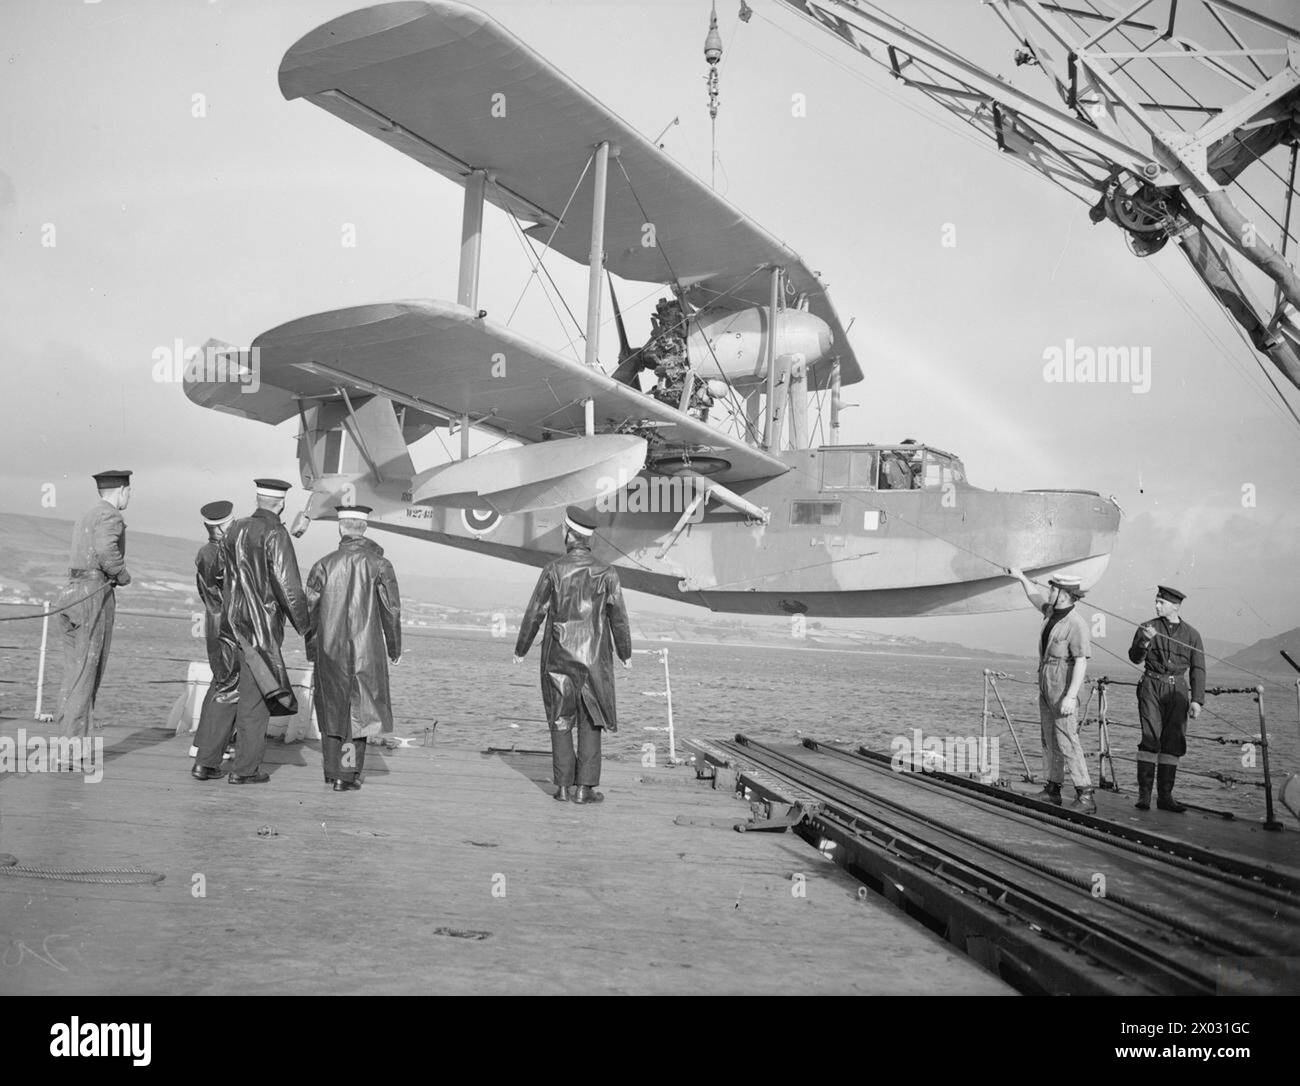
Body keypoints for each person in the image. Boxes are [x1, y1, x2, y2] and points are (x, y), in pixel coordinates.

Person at [513, 505, 633, 804]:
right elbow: (618, 617)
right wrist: (625, 653)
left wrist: (521, 648)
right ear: (587, 538)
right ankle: (584, 789)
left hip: (558, 656)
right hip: (594, 658)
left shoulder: (553, 570)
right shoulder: (607, 572)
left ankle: (563, 788)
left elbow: (535, 612)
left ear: (568, 534)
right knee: (592, 720)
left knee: (560, 719)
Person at [197, 478, 309, 785]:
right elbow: (288, 586)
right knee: (255, 700)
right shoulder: (276, 533)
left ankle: (205, 763)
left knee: (227, 691)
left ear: (258, 499)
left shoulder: (235, 529)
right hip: (258, 629)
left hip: (229, 625)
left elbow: (220, 573)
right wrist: (305, 626)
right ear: (281, 503)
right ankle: (245, 769)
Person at [305, 504, 402, 792]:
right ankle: (345, 775)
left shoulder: (323, 564)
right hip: (365, 650)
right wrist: (394, 649)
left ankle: (331, 771)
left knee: (331, 708)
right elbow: (391, 611)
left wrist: (312, 650)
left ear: (340, 527)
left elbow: (310, 612)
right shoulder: (380, 565)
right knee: (358, 714)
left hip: (328, 649)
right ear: (365, 528)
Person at [53, 469, 132, 759]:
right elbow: (106, 550)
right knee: (87, 673)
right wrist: (122, 574)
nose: (129, 497)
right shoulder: (111, 516)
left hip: (69, 594)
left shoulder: (86, 516)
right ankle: (72, 751)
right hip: (92, 596)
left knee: (73, 672)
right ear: (121, 490)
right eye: (129, 491)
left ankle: (68, 744)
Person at [1008, 568, 1095, 813]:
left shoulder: (1076, 624)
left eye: (1053, 589)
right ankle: (1053, 789)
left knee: (1067, 739)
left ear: (1064, 594)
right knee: (1049, 738)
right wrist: (1021, 578)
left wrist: (1071, 696)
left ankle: (1086, 795)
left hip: (1063, 687)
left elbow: (1081, 661)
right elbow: (1035, 598)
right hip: (1047, 685)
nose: (1050, 592)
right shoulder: (1051, 613)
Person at [1127, 585, 1205, 813]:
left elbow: (1198, 668)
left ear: (1176, 606)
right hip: (1151, 686)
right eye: (1156, 601)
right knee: (1150, 738)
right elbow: (1135, 658)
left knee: (1173, 741)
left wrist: (1197, 700)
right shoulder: (1147, 627)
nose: (1156, 605)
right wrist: (1144, 641)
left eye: (1161, 602)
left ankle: (1165, 798)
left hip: (1178, 690)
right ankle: (1144, 796)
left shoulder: (1192, 635)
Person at [191, 500, 239, 781]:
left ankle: (203, 744)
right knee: (230, 688)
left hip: (212, 622)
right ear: (222, 527)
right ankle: (208, 758)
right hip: (230, 626)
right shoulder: (228, 554)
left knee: (220, 682)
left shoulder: (203, 553)